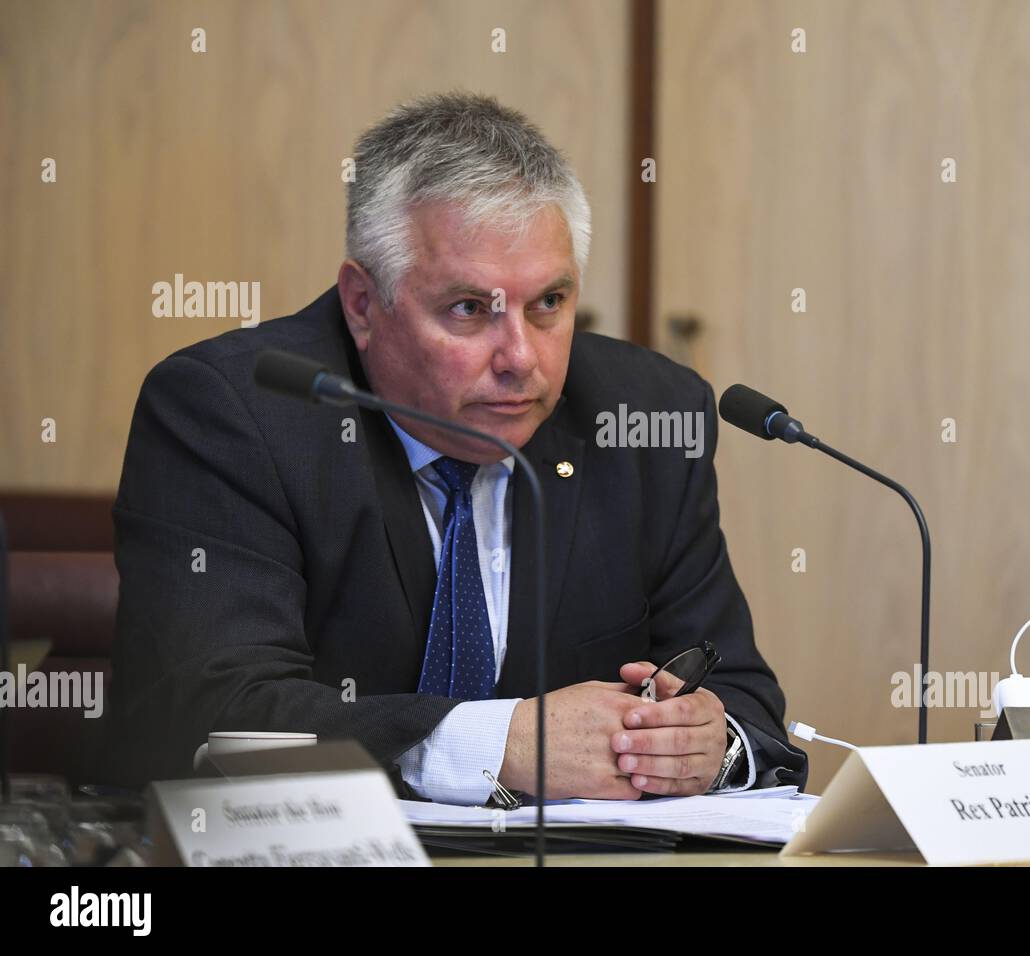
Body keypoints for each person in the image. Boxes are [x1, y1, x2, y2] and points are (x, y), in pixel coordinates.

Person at [108, 91, 807, 803]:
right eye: (470, 309)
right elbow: (212, 714)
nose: (521, 358)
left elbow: (745, 700)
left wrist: (705, 747)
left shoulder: (645, 416)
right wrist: (493, 745)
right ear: (362, 305)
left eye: (548, 305)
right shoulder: (234, 412)